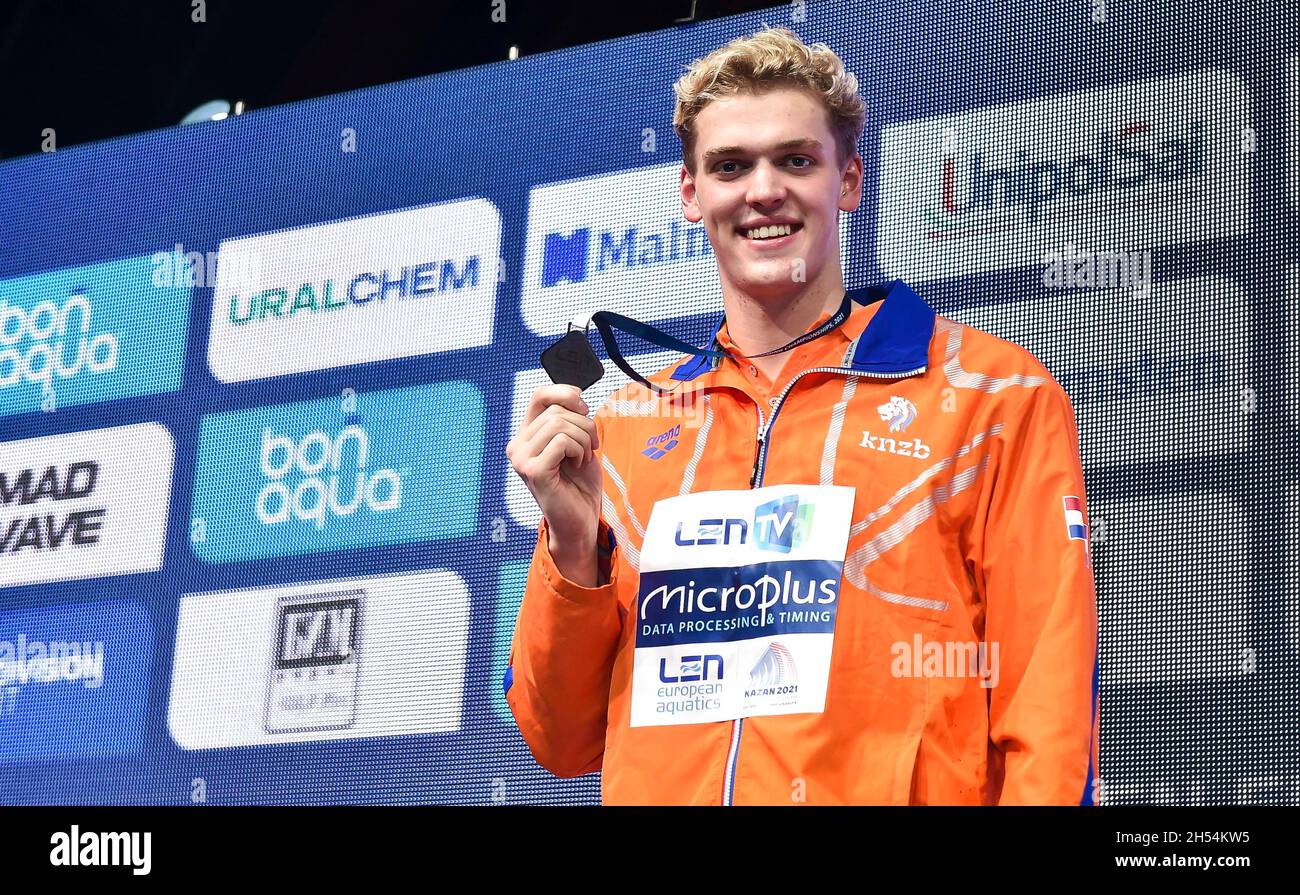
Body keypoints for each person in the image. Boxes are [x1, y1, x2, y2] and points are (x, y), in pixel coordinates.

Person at [503, 25, 1099, 805]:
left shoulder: (991, 395)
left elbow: (1046, 697)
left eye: (795, 160)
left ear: (848, 179)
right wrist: (573, 547)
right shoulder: (625, 428)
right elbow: (562, 737)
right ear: (691, 194)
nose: (762, 190)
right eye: (729, 166)